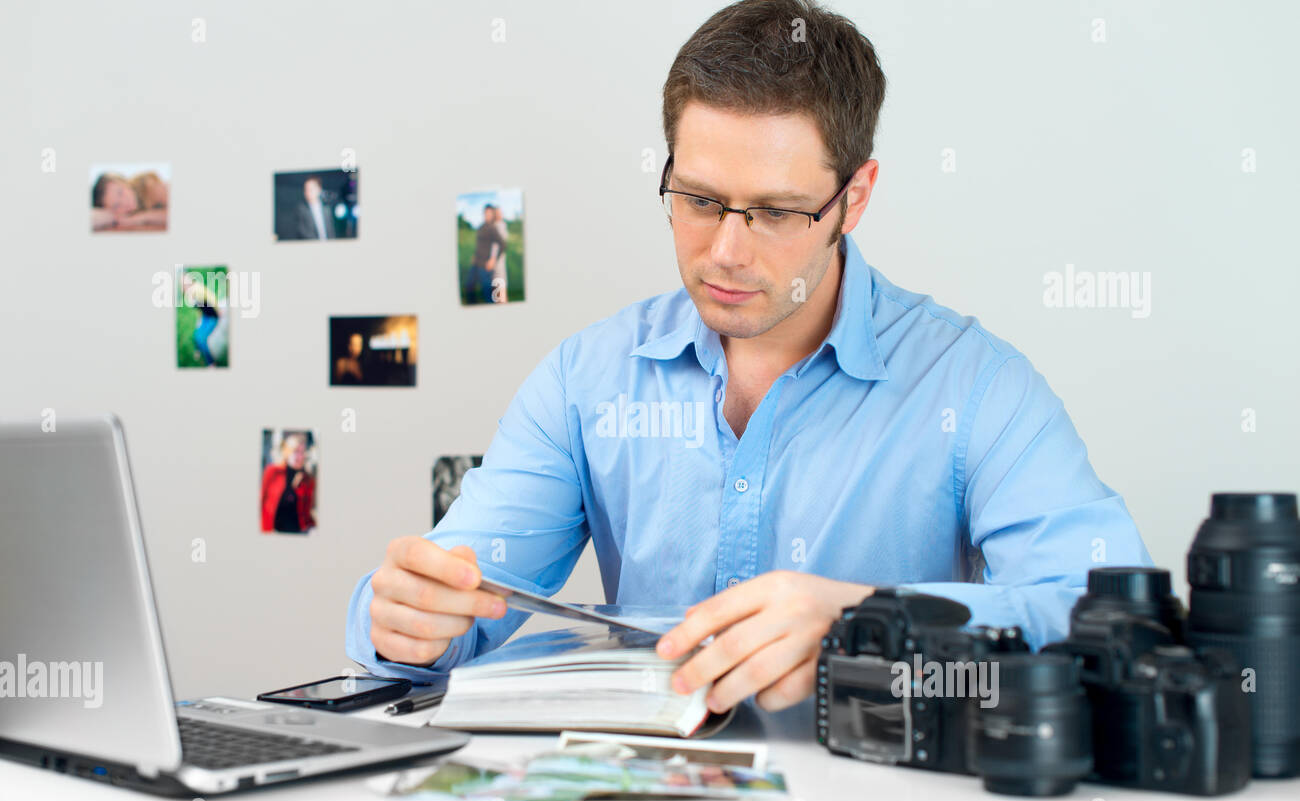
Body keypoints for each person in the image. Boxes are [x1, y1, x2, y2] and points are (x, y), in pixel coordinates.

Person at [348, 0, 1152, 716]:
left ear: (855, 198)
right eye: (698, 200)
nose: (725, 252)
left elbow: (1114, 620)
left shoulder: (976, 385)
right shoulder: (585, 380)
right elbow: (456, 604)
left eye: (775, 211)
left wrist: (868, 621)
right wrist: (408, 622)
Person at [261, 433, 316, 533]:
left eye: (301, 452)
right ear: (287, 452)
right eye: (295, 451)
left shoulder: (308, 479)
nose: (298, 456)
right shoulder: (272, 472)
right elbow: (261, 500)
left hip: (298, 531)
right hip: (273, 530)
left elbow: (307, 511)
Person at [464, 204, 506, 303]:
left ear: (492, 215)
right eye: (486, 213)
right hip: (476, 263)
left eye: (489, 213)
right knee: (469, 285)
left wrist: (493, 260)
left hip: (485, 265)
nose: (487, 215)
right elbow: (479, 244)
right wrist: (474, 255)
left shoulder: (493, 228)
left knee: (487, 293)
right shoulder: (481, 227)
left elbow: (502, 245)